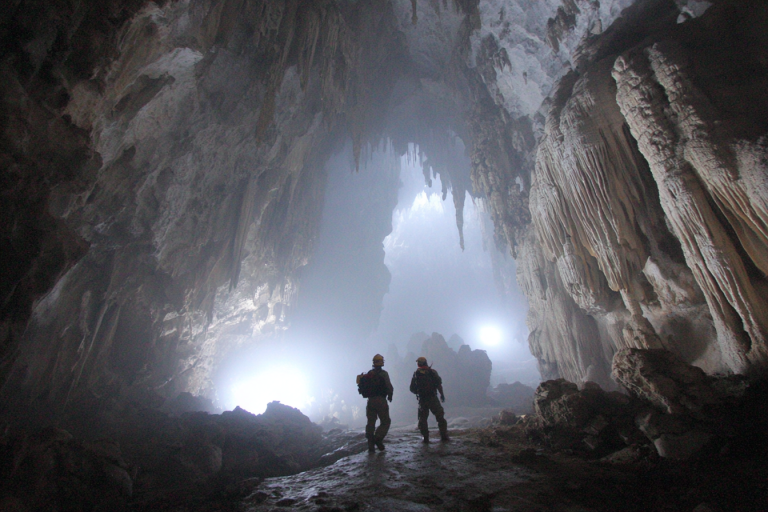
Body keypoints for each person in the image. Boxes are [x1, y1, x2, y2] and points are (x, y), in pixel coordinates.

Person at [357, 354, 393, 452]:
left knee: (371, 422)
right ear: (382, 362)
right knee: (385, 421)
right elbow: (389, 386)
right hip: (381, 400)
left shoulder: (369, 374)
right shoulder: (384, 374)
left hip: (370, 401)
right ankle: (378, 438)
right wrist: (390, 396)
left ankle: (370, 444)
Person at [409, 356, 449, 443]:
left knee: (422, 419)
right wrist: (442, 395)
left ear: (419, 364)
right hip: (433, 398)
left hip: (422, 400)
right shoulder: (432, 372)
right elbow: (439, 384)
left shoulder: (416, 373)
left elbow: (412, 388)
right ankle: (444, 436)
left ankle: (425, 438)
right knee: (440, 416)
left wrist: (419, 392)